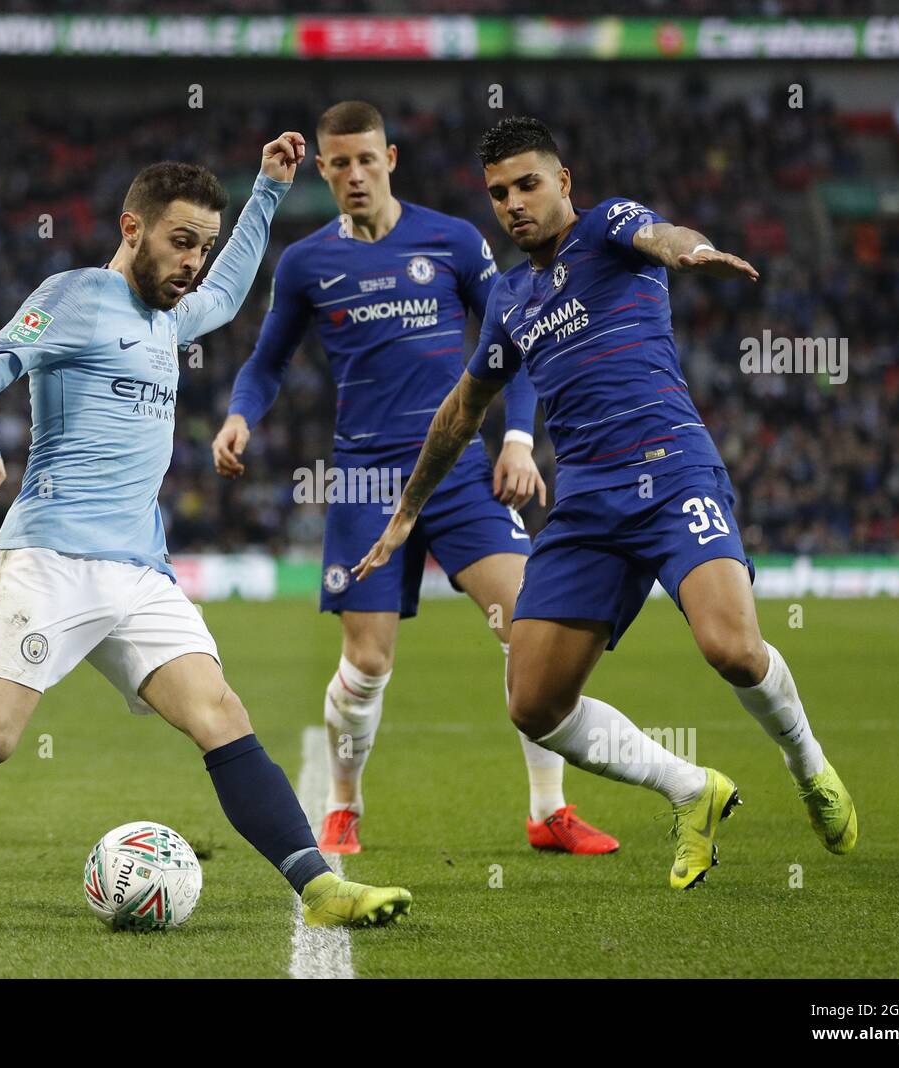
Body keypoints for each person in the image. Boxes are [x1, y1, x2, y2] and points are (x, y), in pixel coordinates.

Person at [0, 132, 411, 927]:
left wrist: (267, 192)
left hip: (141, 572)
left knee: (221, 715)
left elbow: (232, 293)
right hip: (54, 556)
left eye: (202, 247)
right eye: (180, 243)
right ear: (131, 228)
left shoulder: (172, 316)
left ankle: (320, 888)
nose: (193, 264)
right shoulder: (73, 297)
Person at [354, 116, 857, 890]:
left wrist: (688, 250)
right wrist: (407, 511)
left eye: (528, 184)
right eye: (499, 192)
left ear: (564, 184)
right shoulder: (511, 300)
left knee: (732, 648)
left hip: (672, 471)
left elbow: (661, 233)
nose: (514, 202)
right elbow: (461, 411)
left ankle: (810, 767)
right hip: (587, 506)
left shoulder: (611, 227)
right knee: (534, 703)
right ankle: (692, 789)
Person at [213, 101, 618, 857]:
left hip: (461, 471)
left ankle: (548, 810)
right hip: (366, 478)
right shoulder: (306, 264)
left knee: (529, 630)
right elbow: (267, 363)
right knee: (366, 664)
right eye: (340, 164)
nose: (355, 175)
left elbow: (517, 338)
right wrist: (241, 415)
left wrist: (520, 439)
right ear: (324, 171)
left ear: (390, 158)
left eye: (367, 160)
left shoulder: (455, 241)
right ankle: (343, 802)